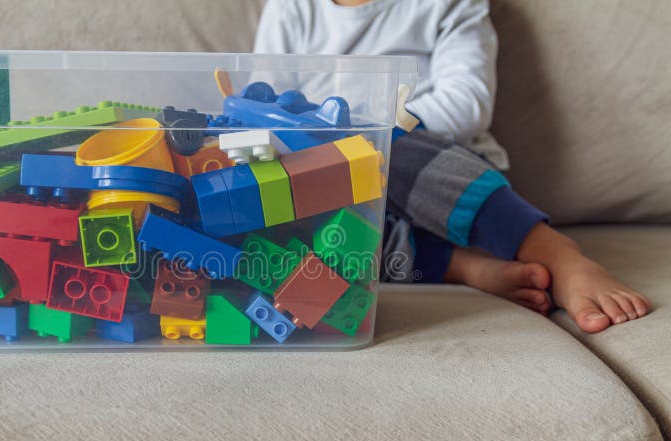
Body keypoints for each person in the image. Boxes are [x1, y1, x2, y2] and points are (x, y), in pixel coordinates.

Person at [253, 0, 650, 333]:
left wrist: (365, 138)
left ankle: (553, 250)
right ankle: (462, 267)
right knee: (308, 229)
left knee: (383, 144)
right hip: (347, 192)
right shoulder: (291, 8)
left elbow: (467, 103)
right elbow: (263, 111)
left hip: (442, 176)